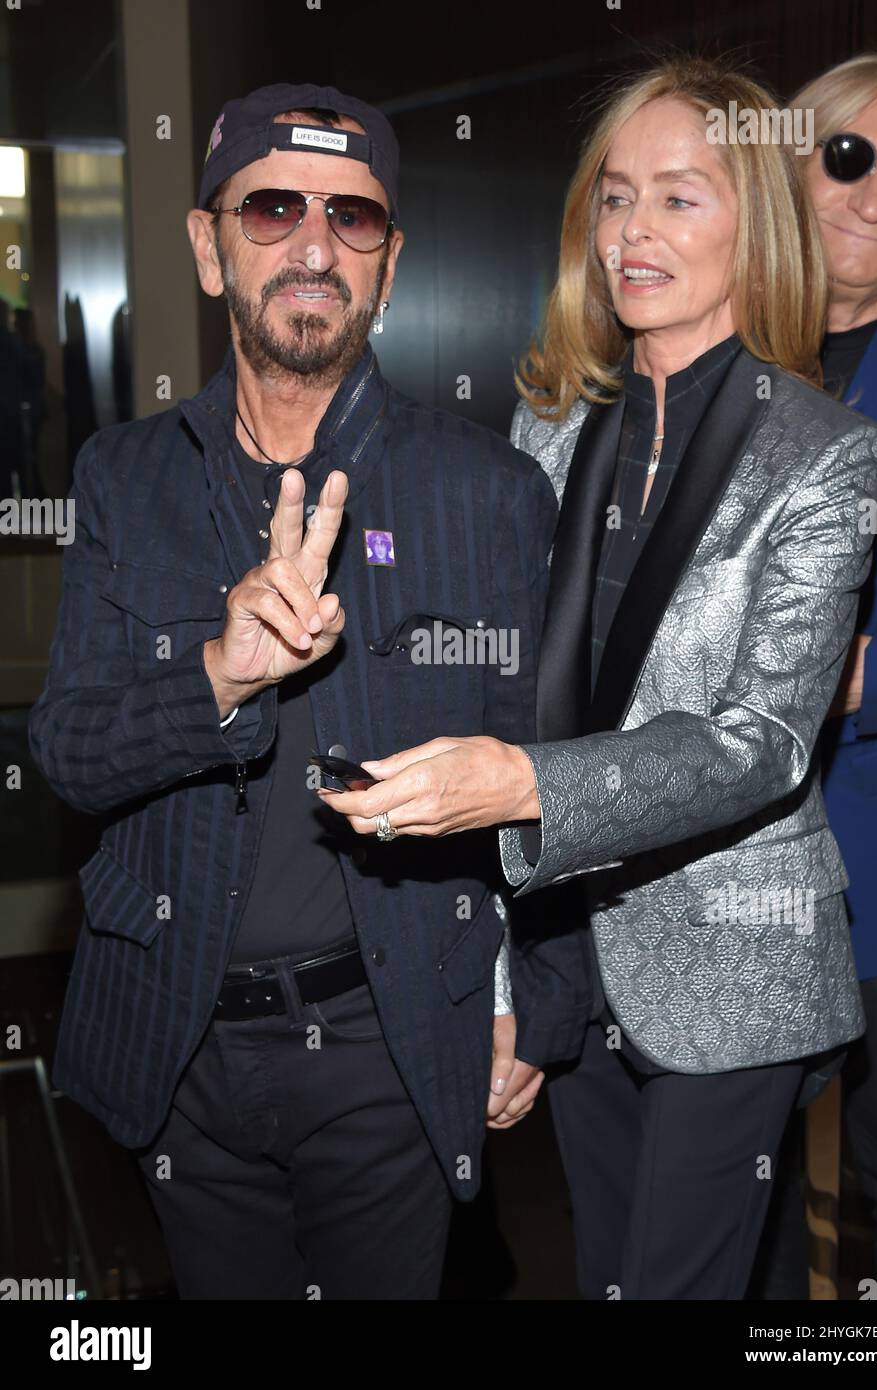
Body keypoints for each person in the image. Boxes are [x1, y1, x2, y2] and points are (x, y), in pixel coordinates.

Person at [320, 56, 877, 1299]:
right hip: (577, 950)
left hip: (743, 962)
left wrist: (523, 781)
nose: (634, 230)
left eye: (681, 197)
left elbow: (764, 744)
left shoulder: (830, 453)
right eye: (617, 196)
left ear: (760, 225)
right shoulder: (552, 431)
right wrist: (518, 988)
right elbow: (522, 699)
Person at [28, 83, 591, 1300]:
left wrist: (536, 998)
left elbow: (554, 768)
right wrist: (217, 677)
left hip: (392, 1045)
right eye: (273, 207)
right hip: (176, 1036)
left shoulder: (485, 494)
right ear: (207, 241)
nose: (315, 246)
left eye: (355, 217)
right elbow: (69, 751)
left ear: (390, 265)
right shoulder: (125, 478)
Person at [759, 53, 877, 1295]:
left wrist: (873, 675)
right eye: (850, 155)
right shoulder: (695, 360)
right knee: (732, 1190)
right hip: (705, 865)